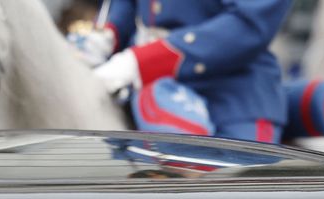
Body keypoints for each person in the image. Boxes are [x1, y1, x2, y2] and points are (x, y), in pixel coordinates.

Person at [71, 0, 290, 142]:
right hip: (143, 88)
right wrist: (109, 35)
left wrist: (142, 62)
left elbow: (248, 25)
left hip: (231, 98)